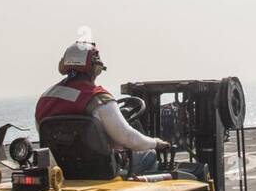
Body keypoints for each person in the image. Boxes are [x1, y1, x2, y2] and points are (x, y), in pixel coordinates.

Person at [35, 41, 168, 174]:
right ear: (95, 68)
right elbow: (129, 138)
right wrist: (156, 143)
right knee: (149, 155)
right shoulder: (98, 99)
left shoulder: (46, 98)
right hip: (101, 171)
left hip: (62, 171)